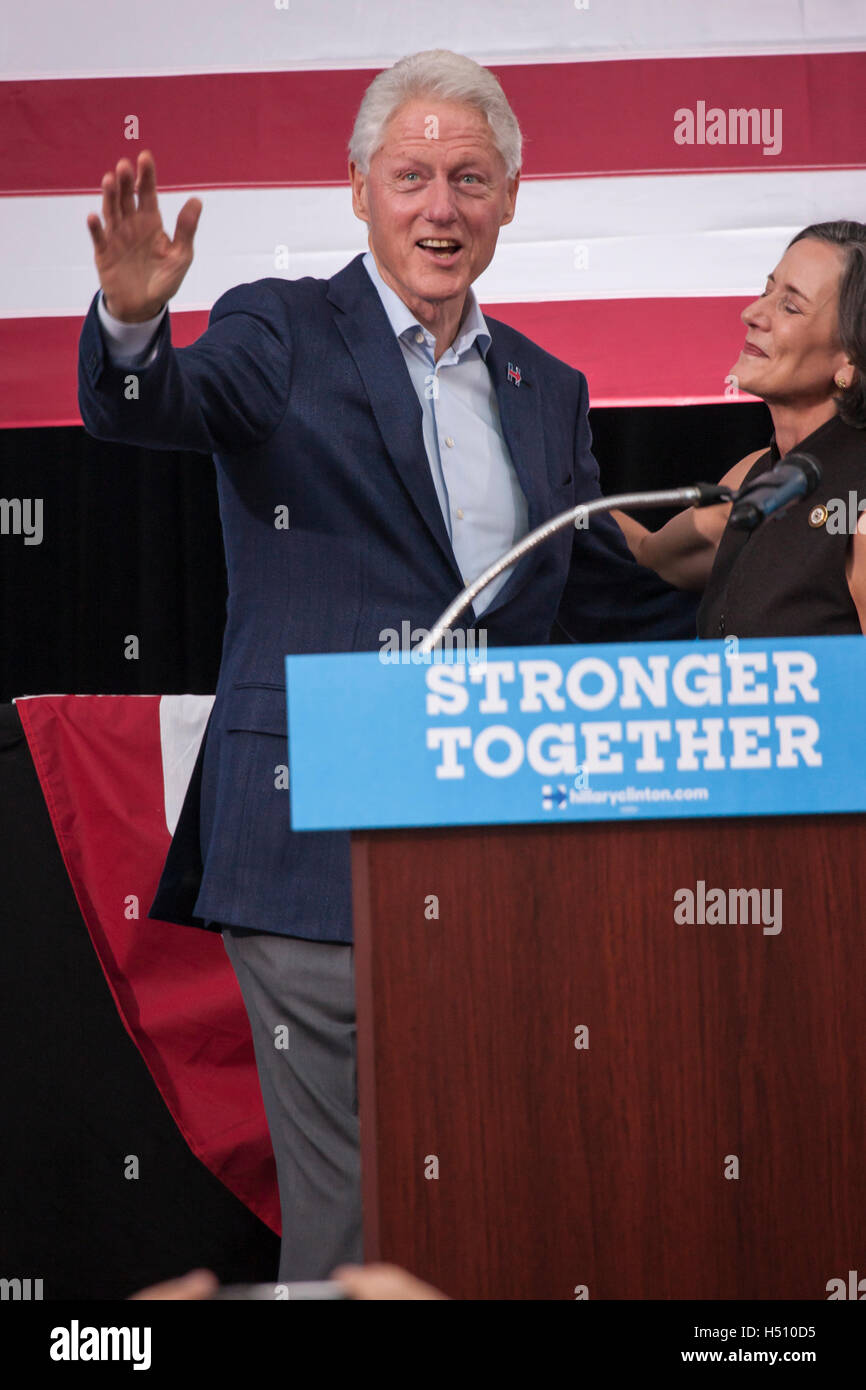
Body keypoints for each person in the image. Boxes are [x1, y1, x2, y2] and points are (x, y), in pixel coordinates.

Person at [78, 49, 694, 1282]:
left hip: (494, 850)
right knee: (351, 1209)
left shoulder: (548, 389)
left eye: (470, 179)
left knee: (493, 1174)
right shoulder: (280, 328)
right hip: (314, 844)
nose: (440, 206)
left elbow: (577, 588)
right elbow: (158, 403)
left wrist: (756, 560)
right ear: (356, 186)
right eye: (410, 175)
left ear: (511, 198)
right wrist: (134, 321)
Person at [613, 221, 866, 636]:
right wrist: (549, 490)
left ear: (849, 362)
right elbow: (647, 553)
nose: (752, 313)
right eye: (767, 292)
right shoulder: (756, 478)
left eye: (790, 306)